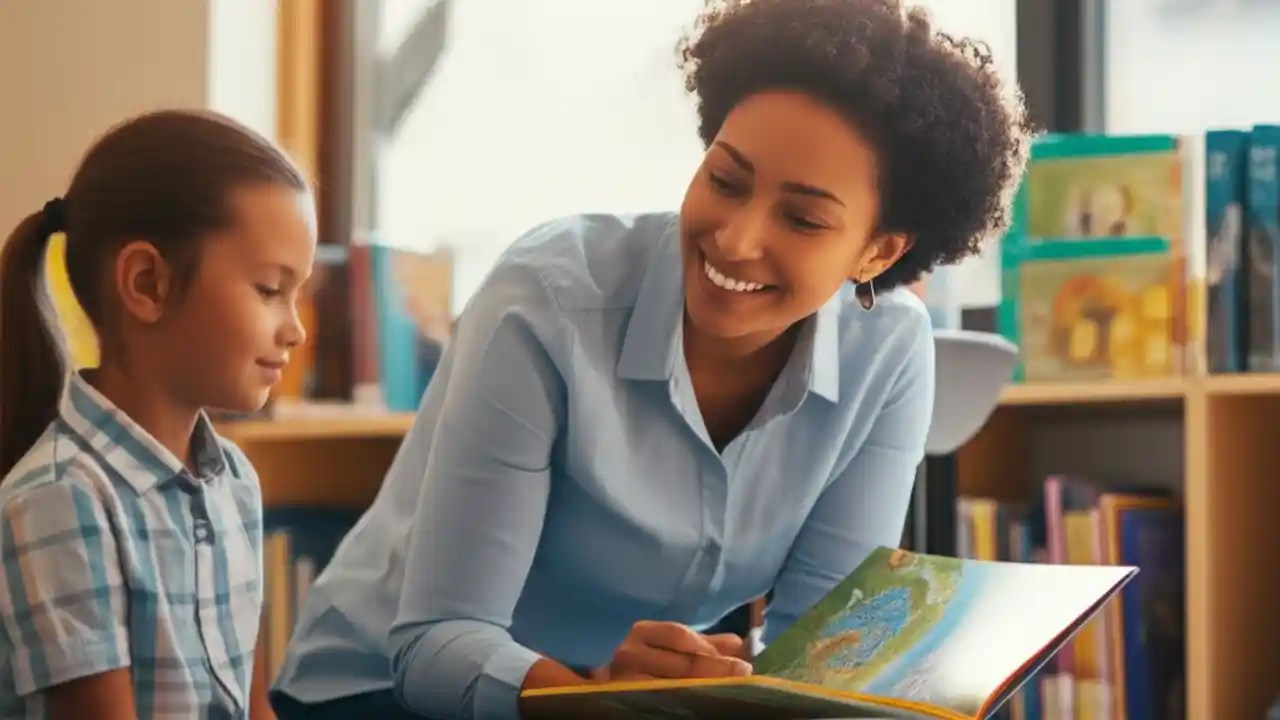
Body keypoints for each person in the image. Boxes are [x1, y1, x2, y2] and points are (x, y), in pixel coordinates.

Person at [271, 0, 1031, 718]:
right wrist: (594, 696)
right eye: (725, 180)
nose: (734, 239)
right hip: (383, 692)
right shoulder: (546, 302)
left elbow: (819, 656)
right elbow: (436, 641)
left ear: (878, 249)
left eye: (801, 218)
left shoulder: (889, 353)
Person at [0, 110, 316, 719]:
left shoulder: (237, 484)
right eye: (270, 290)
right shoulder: (61, 501)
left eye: (298, 292)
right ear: (147, 283)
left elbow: (254, 708)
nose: (296, 328)